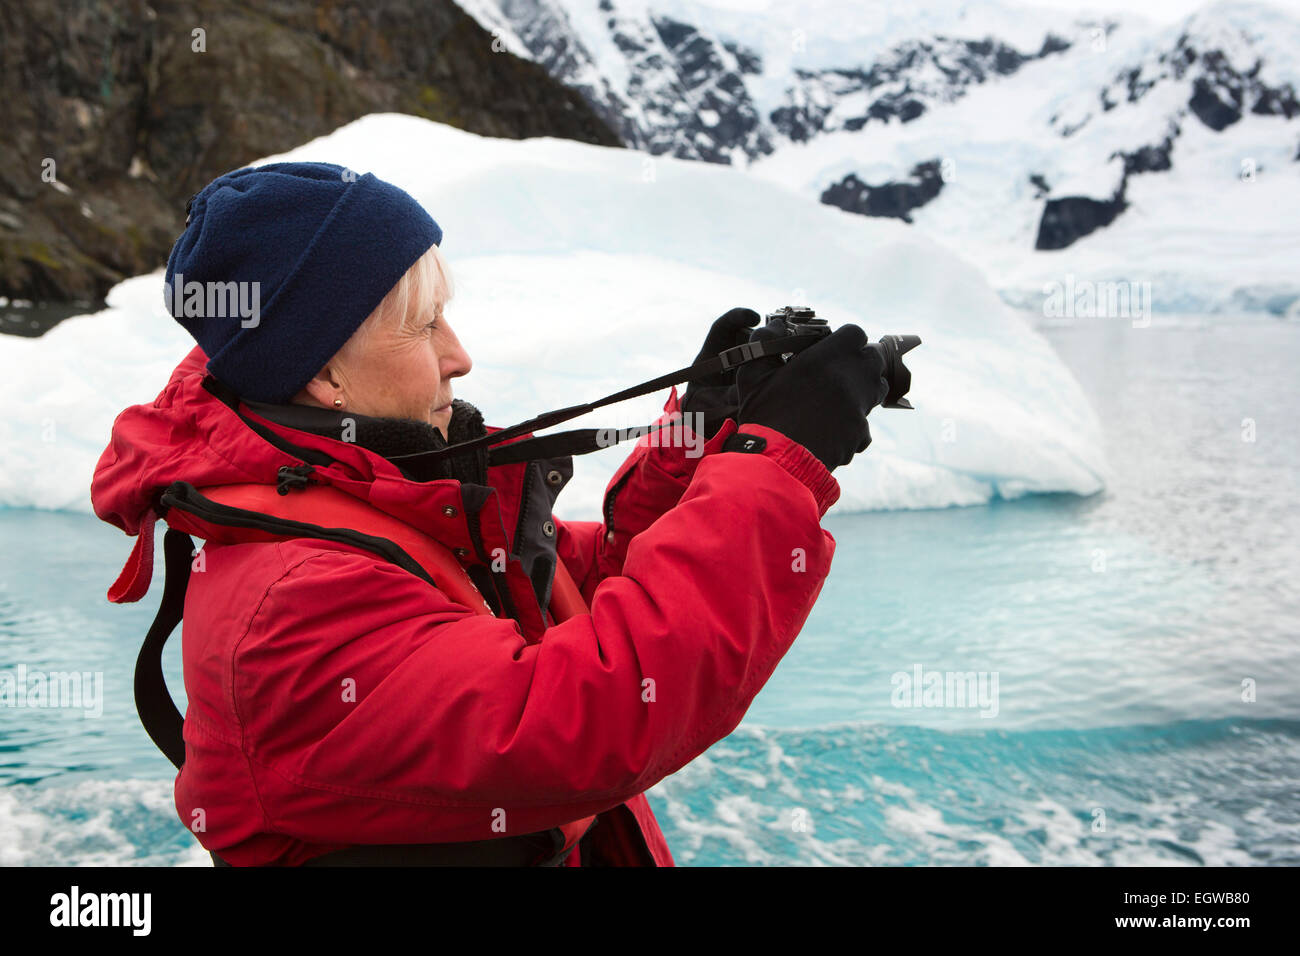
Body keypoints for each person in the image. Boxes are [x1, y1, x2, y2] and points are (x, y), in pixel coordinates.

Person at [91, 161, 887, 866]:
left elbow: (590, 590)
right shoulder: (296, 601)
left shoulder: (376, 493)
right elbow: (595, 712)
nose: (458, 354)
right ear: (321, 371)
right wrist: (773, 467)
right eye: (422, 324)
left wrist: (699, 440)